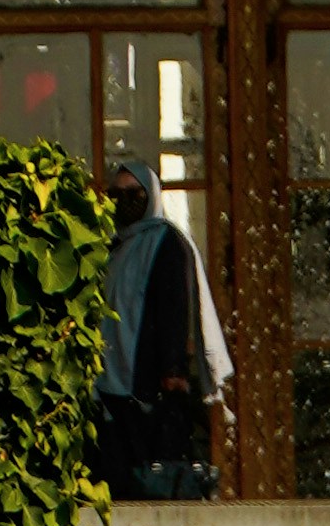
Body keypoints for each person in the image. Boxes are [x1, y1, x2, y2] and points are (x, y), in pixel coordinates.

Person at [91, 159, 230, 500]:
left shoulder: (166, 242)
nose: (124, 201)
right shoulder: (113, 247)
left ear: (150, 195)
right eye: (117, 194)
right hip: (112, 382)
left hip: (149, 382)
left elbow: (173, 305)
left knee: (152, 475)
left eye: (134, 193)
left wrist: (172, 370)